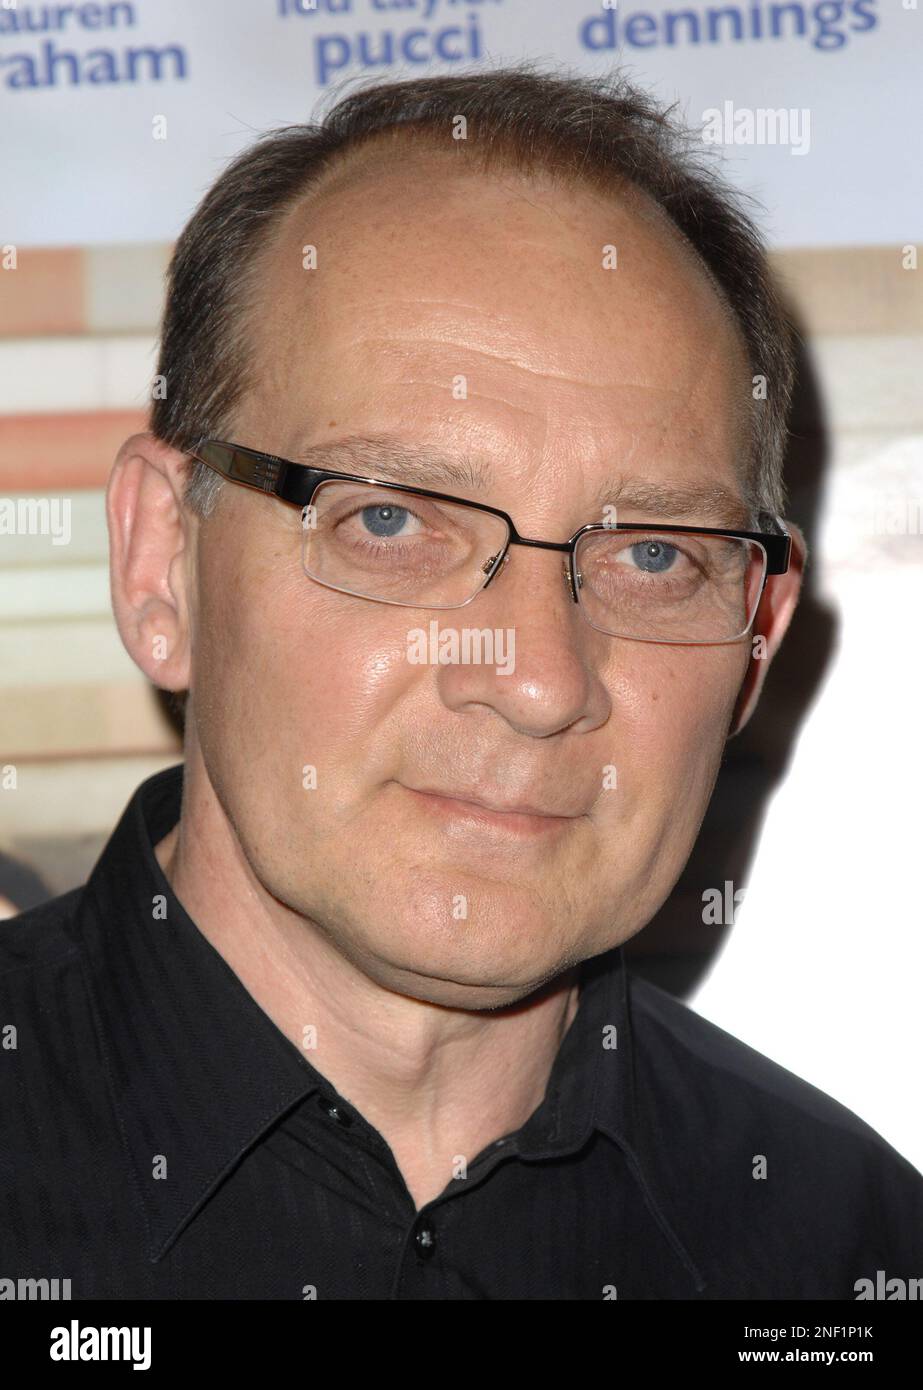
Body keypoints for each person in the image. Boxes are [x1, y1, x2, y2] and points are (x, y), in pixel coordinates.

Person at [2, 64, 920, 1301]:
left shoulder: (848, 1254)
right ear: (163, 562)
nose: (536, 680)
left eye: (653, 555)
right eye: (390, 523)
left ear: (755, 636)